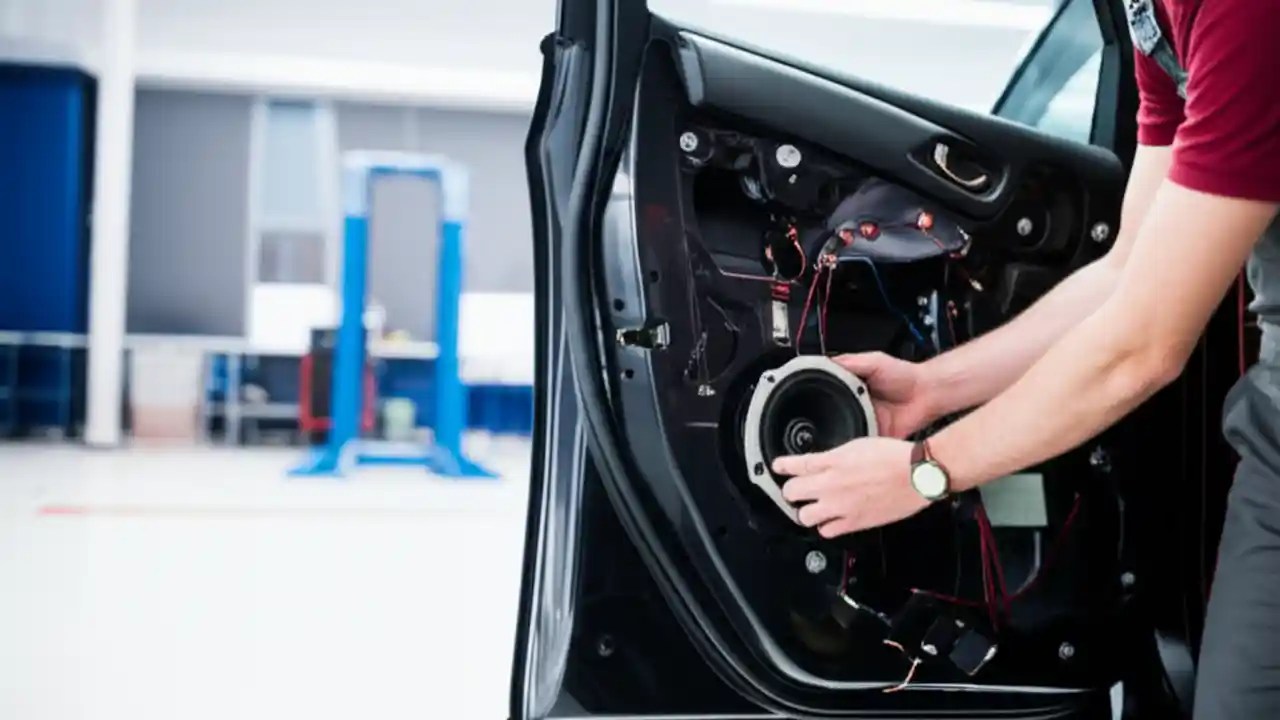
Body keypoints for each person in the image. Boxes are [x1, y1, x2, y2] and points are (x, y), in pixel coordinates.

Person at [769, 1, 1280, 715]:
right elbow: (1124, 274)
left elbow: (1145, 348)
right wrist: (929, 389)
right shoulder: (1155, 16)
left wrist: (925, 472)